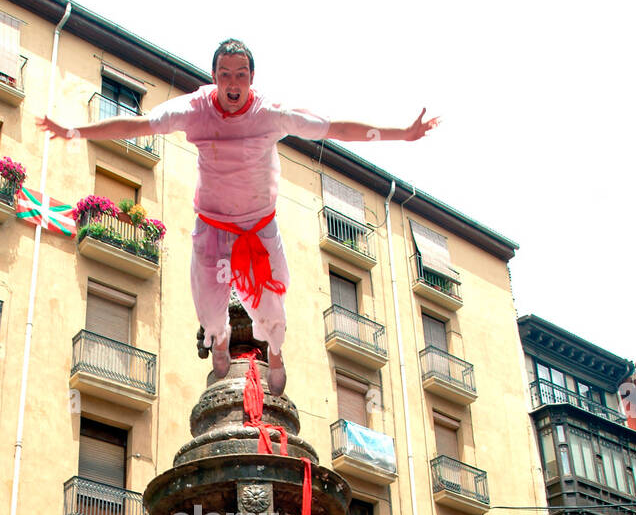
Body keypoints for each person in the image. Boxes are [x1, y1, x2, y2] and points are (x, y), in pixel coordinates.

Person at [39, 38, 437, 394]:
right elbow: (140, 125)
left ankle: (275, 354)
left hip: (258, 229)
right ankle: (220, 339)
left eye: (240, 75)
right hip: (211, 228)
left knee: (273, 311)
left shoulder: (270, 113)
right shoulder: (194, 108)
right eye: (225, 74)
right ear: (214, 77)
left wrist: (401, 133)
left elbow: (334, 129)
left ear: (252, 78)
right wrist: (76, 130)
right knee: (209, 311)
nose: (233, 83)